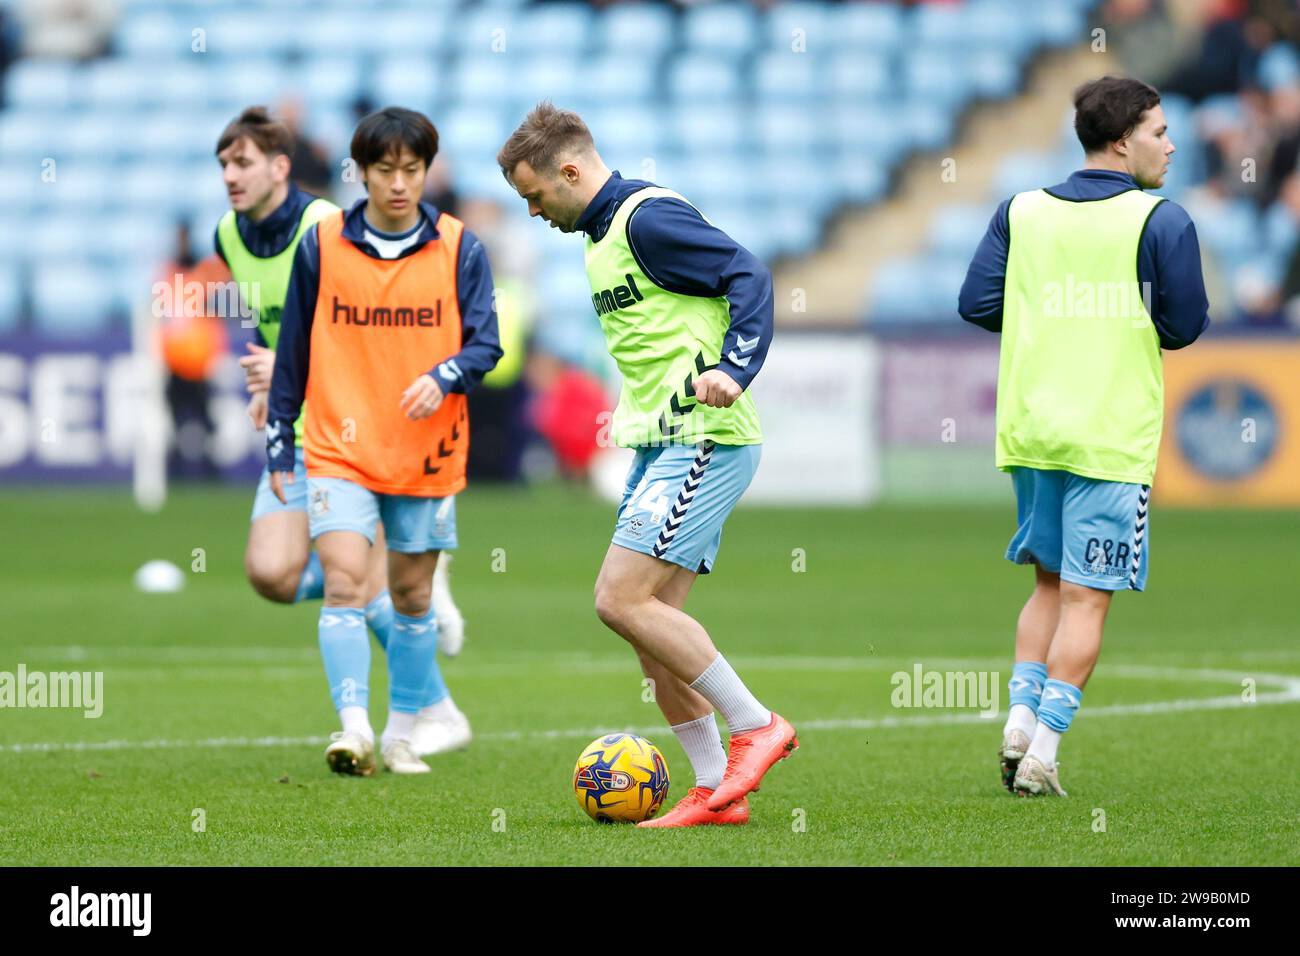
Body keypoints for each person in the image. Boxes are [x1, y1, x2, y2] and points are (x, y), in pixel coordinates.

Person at [498, 102, 795, 827]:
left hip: (704, 438)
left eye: (535, 195)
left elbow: (749, 276)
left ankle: (757, 726)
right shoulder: (600, 239)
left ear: (569, 170)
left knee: (618, 600)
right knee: (650, 634)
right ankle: (715, 792)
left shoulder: (646, 218)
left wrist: (735, 368)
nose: (532, 211)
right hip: (658, 444)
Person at [958, 76, 1210, 796]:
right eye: (1161, 131)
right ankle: (1042, 749)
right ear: (1124, 138)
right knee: (1087, 598)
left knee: (1046, 582)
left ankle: (1017, 717)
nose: (1171, 143)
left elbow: (975, 301)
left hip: (1033, 430)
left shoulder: (1021, 210)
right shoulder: (1161, 220)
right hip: (1109, 434)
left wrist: (1052, 320)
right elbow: (1184, 326)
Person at [268, 107, 501, 775]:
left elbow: (486, 343)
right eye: (384, 170)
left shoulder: (461, 246)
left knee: (411, 597)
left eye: (412, 170)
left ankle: (402, 733)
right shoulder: (323, 244)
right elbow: (293, 348)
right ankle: (354, 730)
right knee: (344, 581)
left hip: (425, 448)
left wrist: (445, 374)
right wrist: (281, 439)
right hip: (338, 443)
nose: (399, 184)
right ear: (361, 171)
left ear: (427, 171)